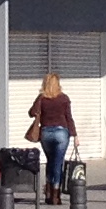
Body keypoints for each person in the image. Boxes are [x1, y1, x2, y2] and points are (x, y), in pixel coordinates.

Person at [28, 69, 78, 198]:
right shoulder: (64, 98)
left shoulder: (42, 98)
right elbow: (69, 117)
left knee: (50, 161)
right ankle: (56, 193)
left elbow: (31, 113)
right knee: (58, 162)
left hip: (46, 133)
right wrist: (75, 136)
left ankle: (49, 191)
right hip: (62, 133)